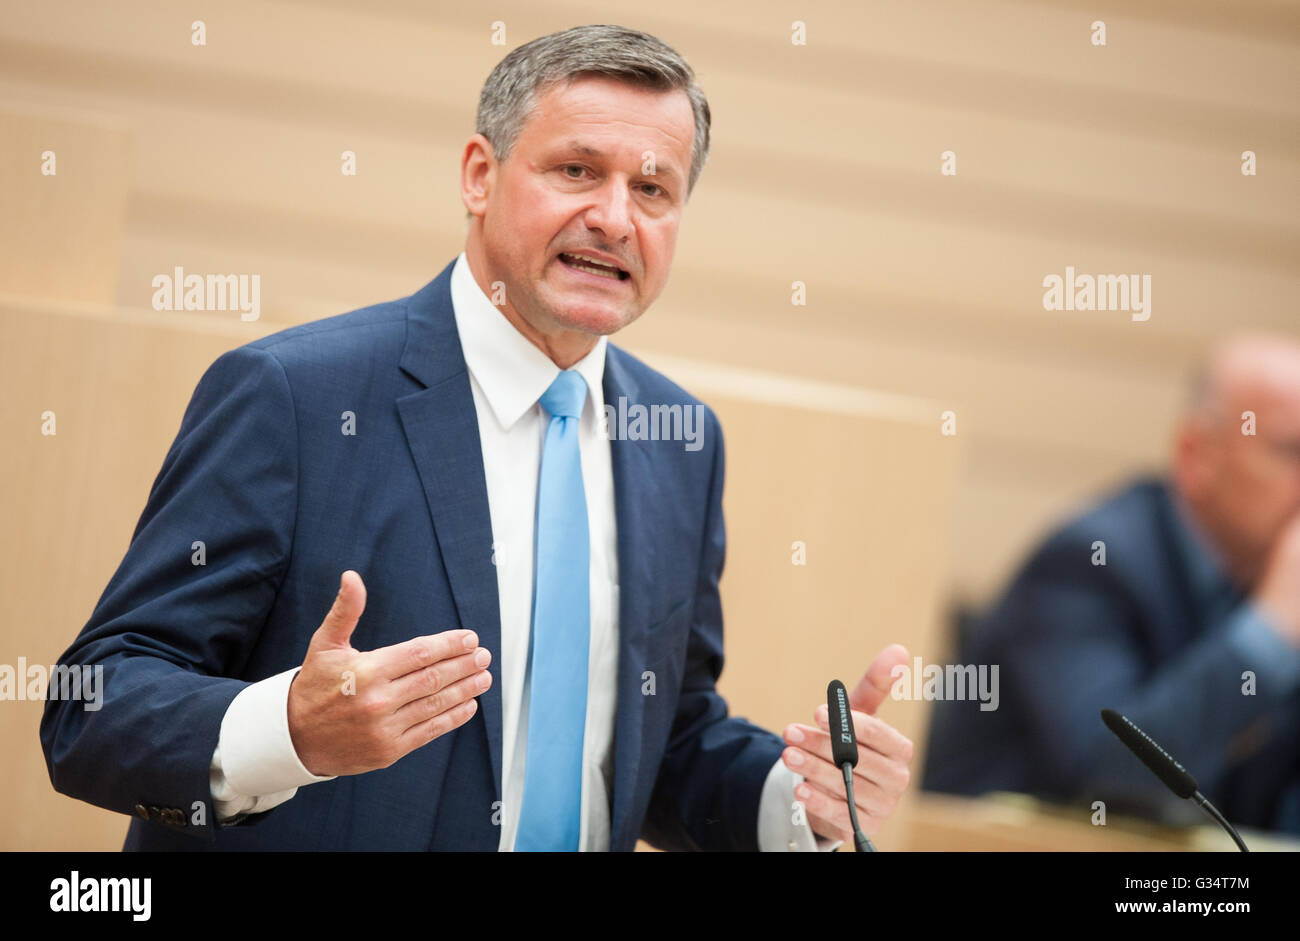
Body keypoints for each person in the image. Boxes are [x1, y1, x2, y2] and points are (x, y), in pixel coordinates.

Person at [41, 24, 914, 851]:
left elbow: (661, 733)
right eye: (577, 170)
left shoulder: (680, 439)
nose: (616, 218)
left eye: (652, 189)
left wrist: (799, 799)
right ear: (478, 175)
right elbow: (94, 706)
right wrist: (290, 732)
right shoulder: (293, 397)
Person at [923, 335, 1300, 834]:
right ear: (1197, 454)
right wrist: (1272, 630)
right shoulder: (1089, 561)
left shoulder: (1264, 578)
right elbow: (1108, 778)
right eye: (1292, 449)